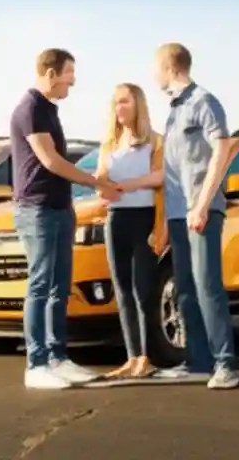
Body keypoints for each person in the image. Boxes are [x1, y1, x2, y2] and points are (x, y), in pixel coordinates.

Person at [10, 48, 121, 390]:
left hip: (60, 207)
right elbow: (50, 160)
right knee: (40, 285)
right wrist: (94, 182)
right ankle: (37, 363)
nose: (73, 79)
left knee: (60, 286)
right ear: (50, 72)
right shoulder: (30, 109)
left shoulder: (49, 110)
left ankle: (58, 358)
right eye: (69, 72)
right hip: (37, 209)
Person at [153, 43, 239, 390]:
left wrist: (202, 204)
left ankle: (225, 365)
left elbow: (223, 147)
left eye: (155, 68)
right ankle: (198, 361)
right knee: (185, 289)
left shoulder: (203, 101)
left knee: (207, 286)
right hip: (176, 212)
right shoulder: (173, 111)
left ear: (169, 68)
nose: (153, 75)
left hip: (200, 209)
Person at [95, 83, 164, 380]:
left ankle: (147, 357)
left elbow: (161, 176)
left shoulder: (154, 141)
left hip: (144, 217)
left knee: (143, 290)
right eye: (116, 103)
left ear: (137, 105)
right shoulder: (109, 144)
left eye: (125, 102)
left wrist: (129, 185)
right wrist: (101, 188)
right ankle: (131, 356)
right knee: (121, 289)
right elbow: (101, 177)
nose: (119, 108)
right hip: (116, 219)